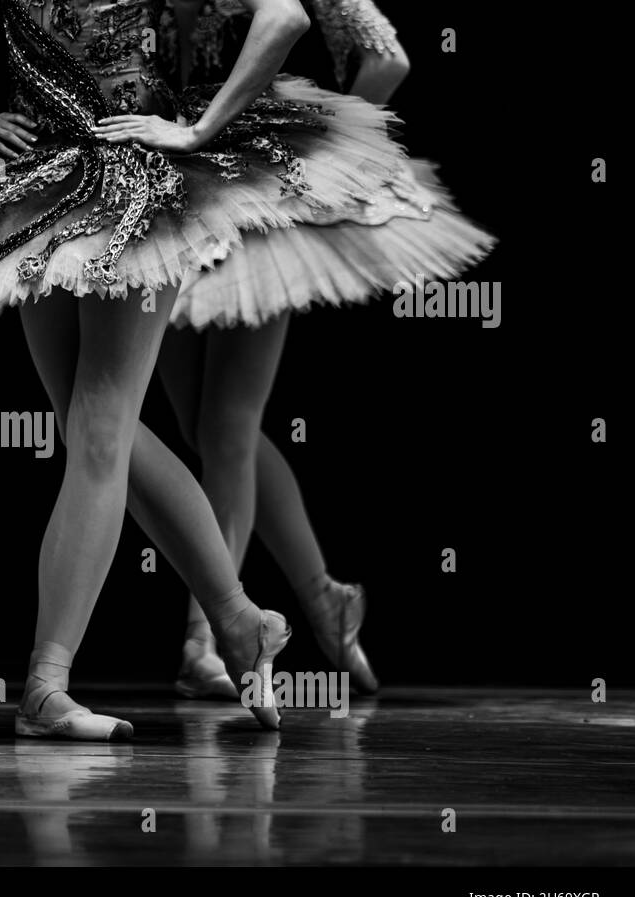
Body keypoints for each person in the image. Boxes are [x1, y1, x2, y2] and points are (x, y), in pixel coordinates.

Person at [0, 0, 480, 738]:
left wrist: (197, 131)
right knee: (91, 427)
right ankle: (237, 620)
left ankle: (46, 683)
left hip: (138, 182)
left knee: (108, 427)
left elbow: (284, 15)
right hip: (43, 176)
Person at [152, 0, 494, 700]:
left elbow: (388, 57)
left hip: (257, 186)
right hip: (177, 184)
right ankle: (323, 597)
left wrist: (313, 156)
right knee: (202, 428)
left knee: (226, 426)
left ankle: (207, 637)